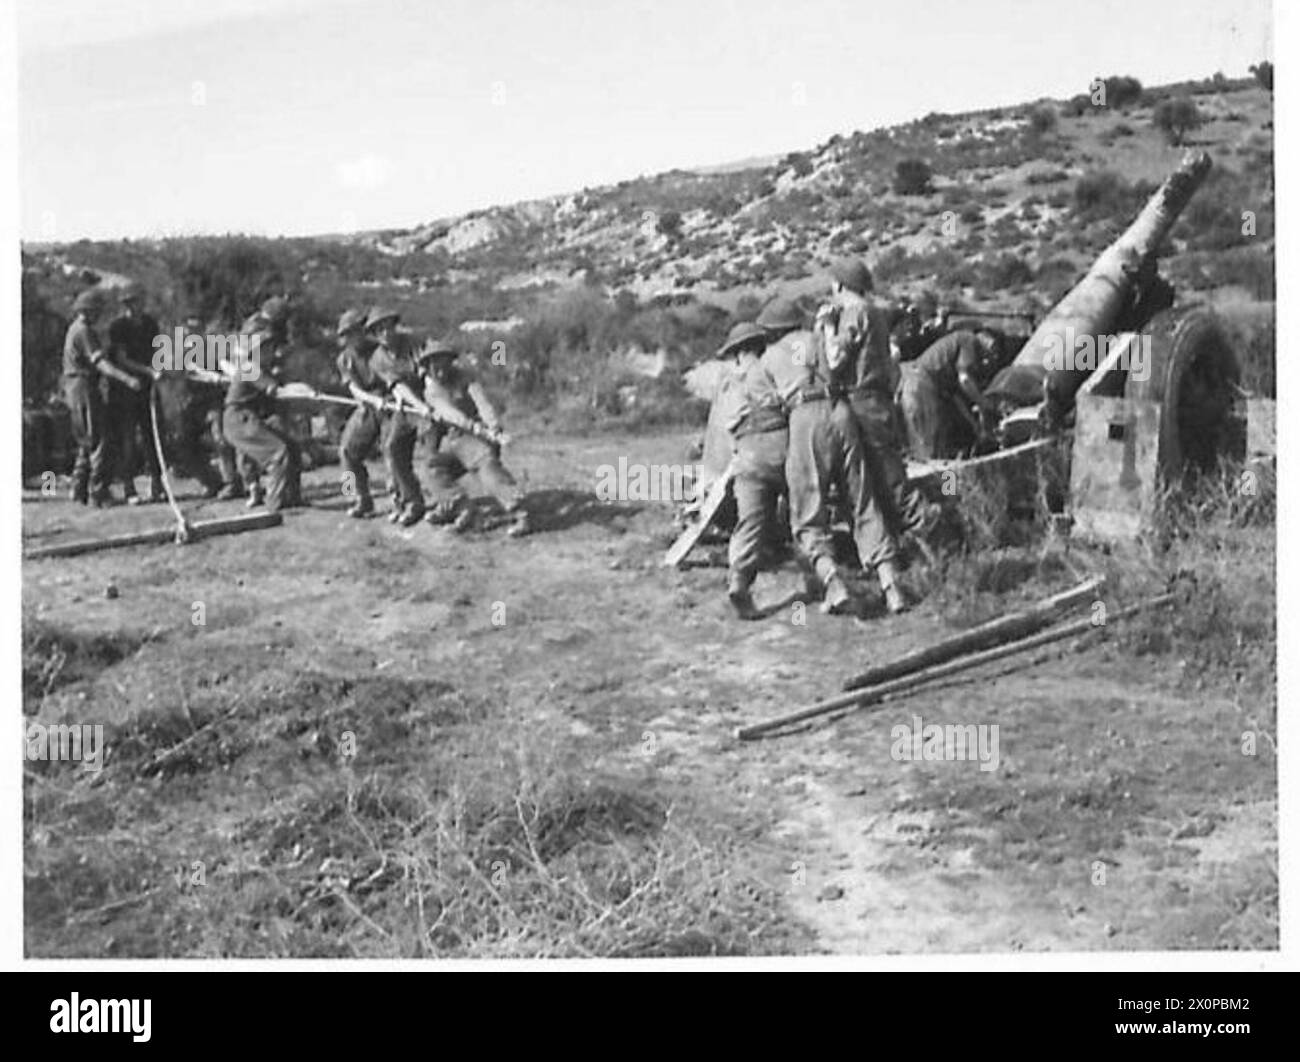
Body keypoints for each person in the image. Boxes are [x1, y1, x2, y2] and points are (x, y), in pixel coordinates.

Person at [758, 296, 908, 616]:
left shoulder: (769, 357)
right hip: (841, 413)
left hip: (805, 417)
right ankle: (891, 584)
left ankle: (833, 582)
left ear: (772, 330)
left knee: (808, 509)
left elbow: (765, 410)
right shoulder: (818, 338)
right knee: (862, 500)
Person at [816, 259, 938, 551]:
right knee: (880, 481)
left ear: (839, 285)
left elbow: (834, 361)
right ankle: (912, 550)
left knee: (890, 483)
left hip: (862, 403)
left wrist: (828, 327)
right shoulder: (875, 313)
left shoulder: (853, 314)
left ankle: (938, 539)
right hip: (876, 402)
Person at [417, 339, 530, 536]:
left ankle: (520, 514)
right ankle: (462, 508)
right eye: (433, 363)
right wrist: (470, 426)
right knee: (431, 468)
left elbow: (483, 403)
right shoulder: (431, 391)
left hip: (480, 440)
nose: (439, 368)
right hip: (456, 438)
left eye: (442, 361)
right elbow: (450, 413)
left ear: (450, 361)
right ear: (427, 367)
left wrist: (493, 427)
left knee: (487, 468)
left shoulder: (467, 378)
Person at [715, 321, 787, 619]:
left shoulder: (728, 384)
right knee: (806, 509)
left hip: (745, 453)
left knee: (750, 521)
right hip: (779, 445)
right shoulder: (769, 370)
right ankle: (824, 573)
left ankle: (739, 581)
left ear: (736, 353)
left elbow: (726, 431)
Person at [221, 298, 303, 512]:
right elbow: (276, 390)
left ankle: (292, 497)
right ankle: (273, 505)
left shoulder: (260, 368)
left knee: (292, 447)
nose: (271, 352)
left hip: (251, 416)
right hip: (238, 419)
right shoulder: (251, 367)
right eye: (266, 348)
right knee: (278, 452)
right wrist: (304, 391)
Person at [62, 289, 141, 506]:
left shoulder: (74, 329)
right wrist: (127, 379)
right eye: (97, 311)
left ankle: (78, 490)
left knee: (86, 441)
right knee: (99, 440)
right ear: (89, 311)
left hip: (74, 389)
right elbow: (101, 363)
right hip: (84, 388)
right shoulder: (84, 332)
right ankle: (99, 493)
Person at [365, 307, 430, 526]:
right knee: (393, 448)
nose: (386, 333)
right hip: (407, 405)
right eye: (379, 330)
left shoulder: (414, 343)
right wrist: (418, 405)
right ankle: (411, 501)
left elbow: (428, 371)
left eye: (388, 326)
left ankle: (447, 502)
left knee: (432, 450)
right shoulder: (377, 359)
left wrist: (429, 401)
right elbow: (397, 386)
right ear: (374, 334)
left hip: (431, 399)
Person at [104, 281, 165, 504]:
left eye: (137, 301)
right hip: (125, 390)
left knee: (153, 435)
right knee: (127, 440)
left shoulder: (150, 324)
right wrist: (147, 371)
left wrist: (160, 366)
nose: (133, 306)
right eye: (129, 303)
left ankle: (157, 485)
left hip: (148, 388)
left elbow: (158, 349)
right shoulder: (118, 326)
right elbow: (121, 359)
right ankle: (129, 489)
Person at [899, 328, 1001, 459]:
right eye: (993, 352)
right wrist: (985, 404)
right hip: (923, 386)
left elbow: (956, 399)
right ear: (990, 341)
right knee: (933, 449)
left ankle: (945, 479)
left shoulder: (949, 366)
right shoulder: (969, 339)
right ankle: (946, 479)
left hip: (914, 386)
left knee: (927, 449)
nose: (990, 358)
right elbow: (965, 380)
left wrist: (976, 427)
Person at [334, 308, 384, 518]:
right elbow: (354, 388)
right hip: (366, 404)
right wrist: (367, 401)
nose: (350, 338)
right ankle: (356, 497)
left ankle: (403, 500)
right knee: (346, 450)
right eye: (345, 334)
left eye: (353, 332)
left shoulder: (379, 350)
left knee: (391, 450)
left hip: (391, 402)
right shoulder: (344, 359)